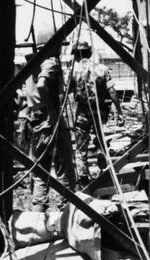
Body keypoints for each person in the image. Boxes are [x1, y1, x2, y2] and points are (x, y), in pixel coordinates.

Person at [23, 36, 75, 212]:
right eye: (60, 45)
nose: (61, 49)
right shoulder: (51, 61)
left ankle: (38, 216)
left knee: (40, 170)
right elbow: (41, 85)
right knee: (65, 166)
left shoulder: (31, 65)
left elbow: (28, 94)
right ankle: (67, 210)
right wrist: (53, 112)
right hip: (51, 120)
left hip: (37, 121)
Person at [68, 39, 107, 184]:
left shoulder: (73, 71)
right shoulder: (102, 68)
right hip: (98, 111)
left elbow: (67, 93)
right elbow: (113, 92)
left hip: (82, 112)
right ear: (89, 53)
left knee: (80, 147)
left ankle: (83, 177)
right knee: (101, 142)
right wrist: (120, 111)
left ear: (76, 55)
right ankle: (103, 168)